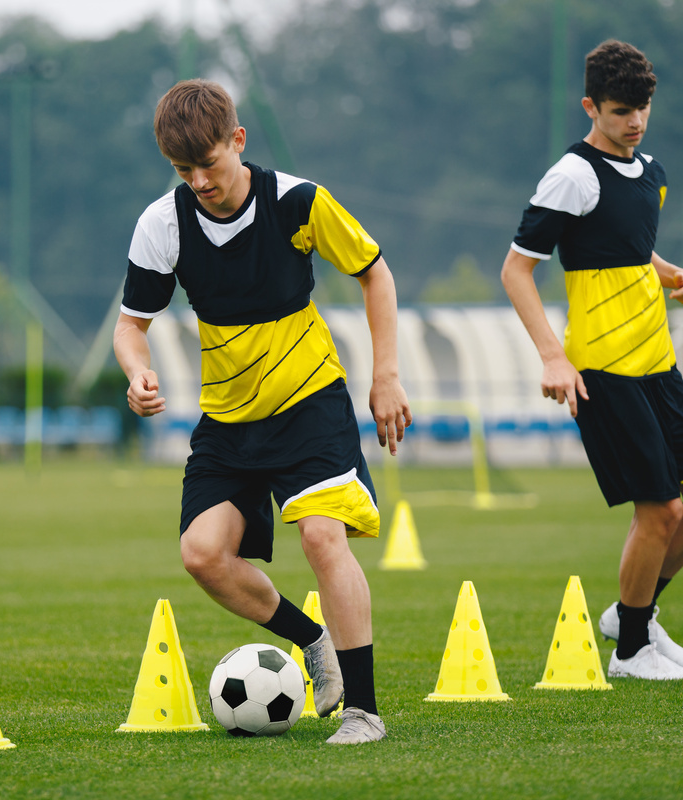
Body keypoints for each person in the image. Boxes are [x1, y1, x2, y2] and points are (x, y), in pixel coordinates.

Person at [113, 79, 411, 741]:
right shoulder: (162, 224)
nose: (199, 181)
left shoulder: (297, 202)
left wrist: (386, 375)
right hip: (228, 418)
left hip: (309, 401)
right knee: (201, 555)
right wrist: (138, 374)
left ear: (238, 142)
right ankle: (313, 642)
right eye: (182, 170)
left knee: (320, 535)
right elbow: (131, 326)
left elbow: (375, 272)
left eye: (209, 164)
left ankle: (362, 710)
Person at [500, 40, 683, 680]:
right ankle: (631, 650)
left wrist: (669, 275)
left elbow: (626, 251)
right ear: (590, 107)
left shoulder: (652, 172)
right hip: (603, 371)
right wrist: (553, 357)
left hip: (658, 363)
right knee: (661, 510)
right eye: (621, 110)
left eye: (643, 108)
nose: (634, 122)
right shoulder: (571, 176)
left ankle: (634, 612)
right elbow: (516, 271)